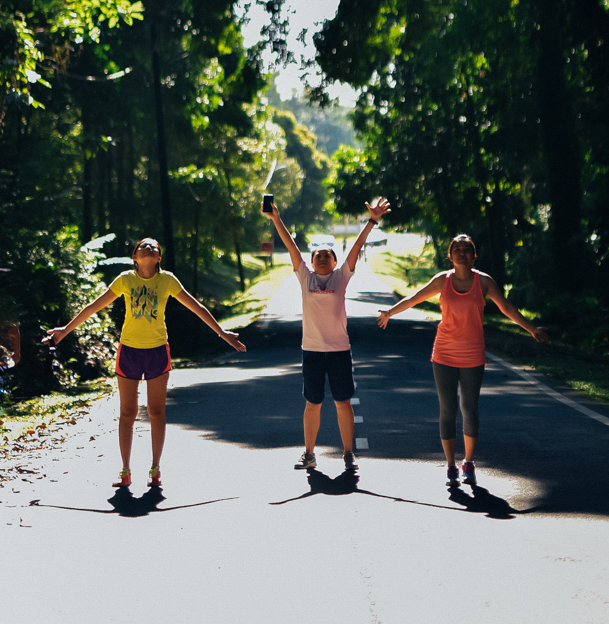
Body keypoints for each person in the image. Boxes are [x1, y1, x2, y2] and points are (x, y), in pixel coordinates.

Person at [42, 237, 245, 489]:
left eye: (153, 247)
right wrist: (65, 330)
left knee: (156, 412)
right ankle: (125, 470)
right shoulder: (125, 280)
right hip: (129, 351)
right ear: (135, 257)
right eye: (142, 246)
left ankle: (155, 468)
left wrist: (221, 332)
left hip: (157, 351)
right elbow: (94, 306)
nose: (148, 247)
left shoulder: (167, 280)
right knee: (127, 412)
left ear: (159, 257)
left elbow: (197, 307)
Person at [377, 232, 547, 487]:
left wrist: (531, 328)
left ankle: (468, 462)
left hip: (472, 353)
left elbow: (507, 308)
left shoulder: (484, 282)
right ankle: (450, 466)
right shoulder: (441, 281)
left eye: (467, 249)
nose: (462, 253)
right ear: (450, 255)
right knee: (448, 410)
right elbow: (414, 299)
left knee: (470, 409)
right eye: (457, 249)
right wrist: (390, 312)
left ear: (474, 255)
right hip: (444, 352)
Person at [266, 196, 389, 475]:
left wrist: (371, 221)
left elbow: (356, 247)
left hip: (339, 351)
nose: (322, 258)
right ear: (310, 263)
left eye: (327, 255)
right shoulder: (305, 278)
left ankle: (348, 453)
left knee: (343, 403)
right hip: (311, 351)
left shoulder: (341, 277)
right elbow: (291, 246)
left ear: (335, 262)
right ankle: (309, 454)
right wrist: (276, 219)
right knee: (313, 403)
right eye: (317, 255)